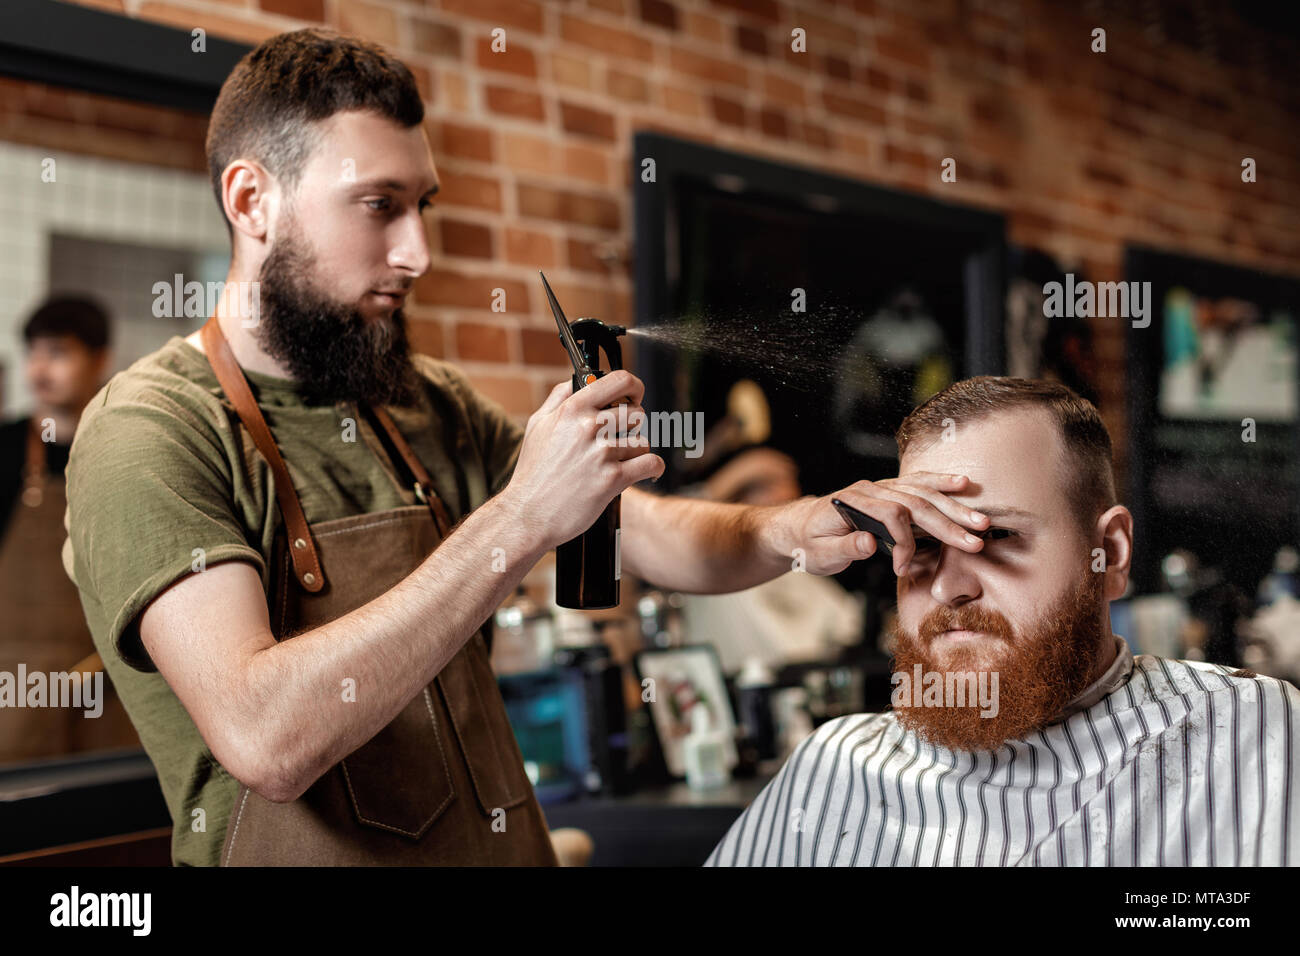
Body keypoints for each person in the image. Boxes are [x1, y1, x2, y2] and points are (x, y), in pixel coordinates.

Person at [63, 29, 964, 866]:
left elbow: (644, 532)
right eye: (378, 206)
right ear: (252, 199)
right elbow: (266, 737)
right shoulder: (151, 431)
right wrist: (526, 514)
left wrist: (788, 531)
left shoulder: (425, 404)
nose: (416, 251)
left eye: (423, 205)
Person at [707, 377, 1300, 866]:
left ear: (1112, 554)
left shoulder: (1248, 732)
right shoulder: (834, 769)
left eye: (997, 537)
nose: (947, 586)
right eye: (922, 541)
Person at [0, 296, 138, 762]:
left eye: (58, 353)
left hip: (104, 691)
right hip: (13, 693)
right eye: (33, 353)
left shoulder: (129, 449)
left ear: (101, 359)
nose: (40, 369)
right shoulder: (4, 448)